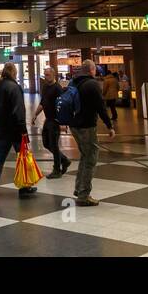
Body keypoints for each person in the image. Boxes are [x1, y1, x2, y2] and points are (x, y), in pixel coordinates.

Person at [0, 63, 36, 198]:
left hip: (1, 128)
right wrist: (23, 130)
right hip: (15, 129)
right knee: (23, 156)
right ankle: (25, 186)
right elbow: (18, 110)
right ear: (14, 72)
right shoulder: (15, 88)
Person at [62, 59, 114, 207]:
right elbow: (100, 106)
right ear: (91, 70)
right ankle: (84, 194)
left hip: (74, 125)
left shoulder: (73, 83)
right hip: (86, 126)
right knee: (91, 158)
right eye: (95, 69)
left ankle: (79, 189)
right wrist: (109, 126)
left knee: (85, 155)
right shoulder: (92, 84)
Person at [33, 67, 70, 179]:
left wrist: (63, 123)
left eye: (48, 75)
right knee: (46, 143)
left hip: (55, 120)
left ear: (54, 75)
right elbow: (43, 102)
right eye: (45, 75)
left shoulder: (57, 88)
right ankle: (64, 160)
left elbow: (62, 106)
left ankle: (57, 170)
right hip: (48, 119)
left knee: (53, 144)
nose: (46, 77)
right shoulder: (45, 87)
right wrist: (35, 114)